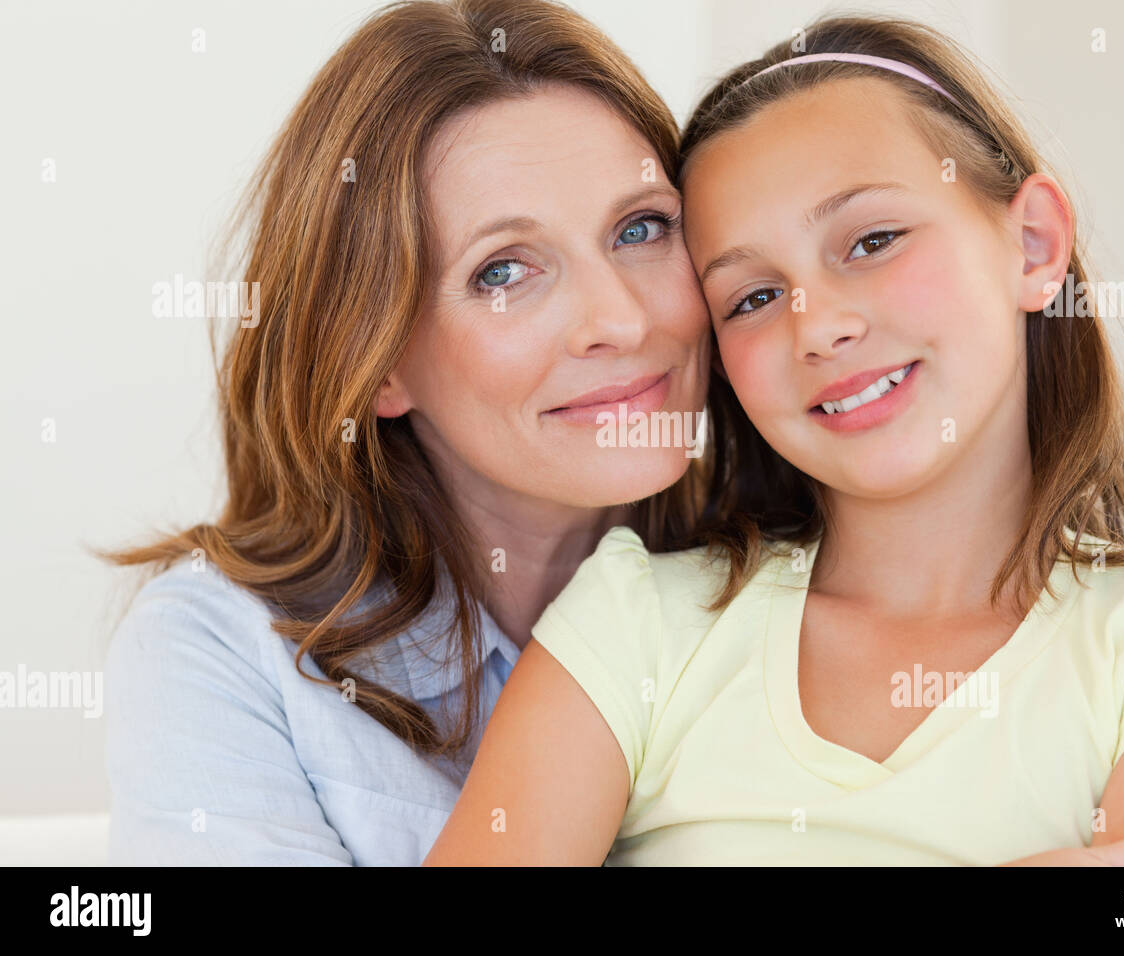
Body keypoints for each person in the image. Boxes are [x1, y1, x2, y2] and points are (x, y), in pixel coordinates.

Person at [425, 15, 1124, 866]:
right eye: (753, 298)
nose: (820, 327)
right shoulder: (632, 626)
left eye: (872, 240)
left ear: (1033, 243)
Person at [102, 0, 714, 865]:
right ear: (378, 360)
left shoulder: (796, 583)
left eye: (641, 228)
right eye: (504, 271)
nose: (620, 317)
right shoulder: (222, 656)